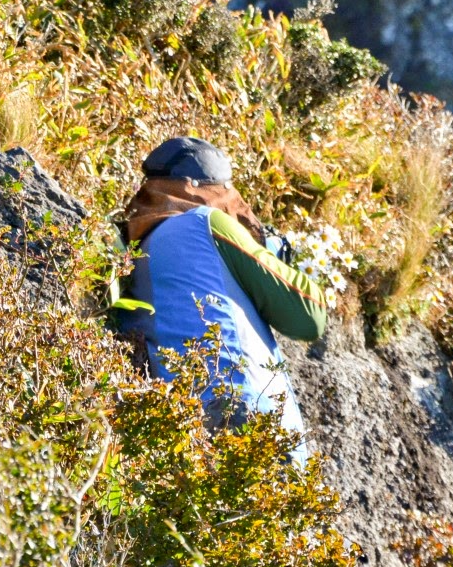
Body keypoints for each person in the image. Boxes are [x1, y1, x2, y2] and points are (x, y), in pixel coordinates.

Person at [115, 137, 327, 456]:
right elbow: (308, 318)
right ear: (210, 189)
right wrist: (276, 256)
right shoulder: (207, 221)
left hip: (175, 434)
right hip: (245, 415)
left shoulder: (134, 254)